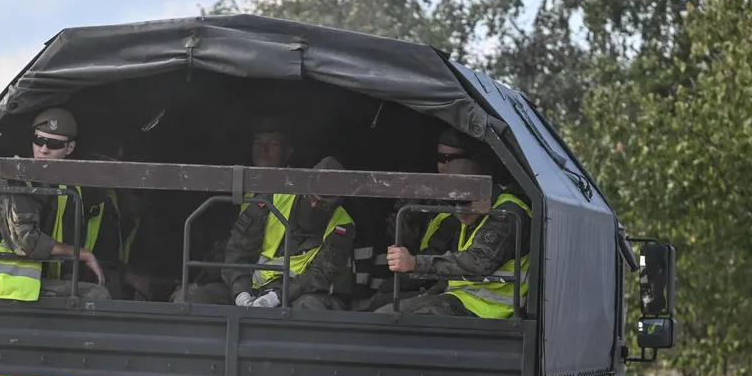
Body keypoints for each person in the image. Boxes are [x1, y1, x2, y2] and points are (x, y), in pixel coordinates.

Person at [0, 107, 109, 300]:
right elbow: (26, 241)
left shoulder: (65, 190)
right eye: (39, 140)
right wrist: (83, 254)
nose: (44, 149)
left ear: (69, 148)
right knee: (97, 295)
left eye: (54, 144)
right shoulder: (10, 178)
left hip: (23, 283)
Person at [192, 156, 356, 310]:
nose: (313, 205)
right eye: (311, 198)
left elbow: (321, 274)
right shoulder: (274, 197)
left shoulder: (342, 224)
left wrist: (276, 296)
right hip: (248, 286)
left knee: (311, 307)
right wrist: (240, 291)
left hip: (296, 295)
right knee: (198, 298)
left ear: (338, 202)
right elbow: (238, 249)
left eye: (323, 204)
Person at [377, 157, 531, 319]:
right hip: (464, 298)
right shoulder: (476, 214)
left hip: (488, 309)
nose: (459, 211)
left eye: (465, 202)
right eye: (451, 203)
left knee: (386, 317)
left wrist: (414, 262)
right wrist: (433, 292)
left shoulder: (506, 214)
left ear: (484, 191)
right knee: (383, 303)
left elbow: (480, 262)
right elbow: (460, 272)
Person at [177, 116, 298, 303]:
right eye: (258, 143)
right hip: (237, 282)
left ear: (288, 152)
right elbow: (230, 248)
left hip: (281, 287)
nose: (263, 149)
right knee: (188, 298)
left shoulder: (302, 194)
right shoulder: (241, 190)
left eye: (273, 144)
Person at [359, 129, 470, 311]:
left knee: (386, 299)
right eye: (441, 158)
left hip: (441, 278)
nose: (446, 165)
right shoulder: (429, 196)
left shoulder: (468, 208)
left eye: (454, 160)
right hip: (428, 269)